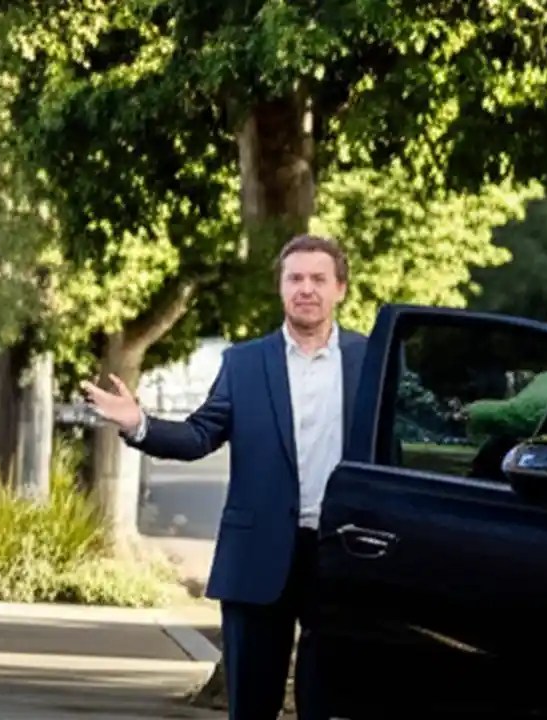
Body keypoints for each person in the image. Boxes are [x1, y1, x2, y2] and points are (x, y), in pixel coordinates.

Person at [80, 234, 367, 720]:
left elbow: (402, 442)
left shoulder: (370, 358)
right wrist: (139, 423)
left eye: (319, 279)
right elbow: (199, 435)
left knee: (329, 704)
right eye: (295, 278)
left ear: (340, 288)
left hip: (340, 556)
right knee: (251, 706)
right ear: (281, 287)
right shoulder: (244, 363)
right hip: (256, 556)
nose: (306, 289)